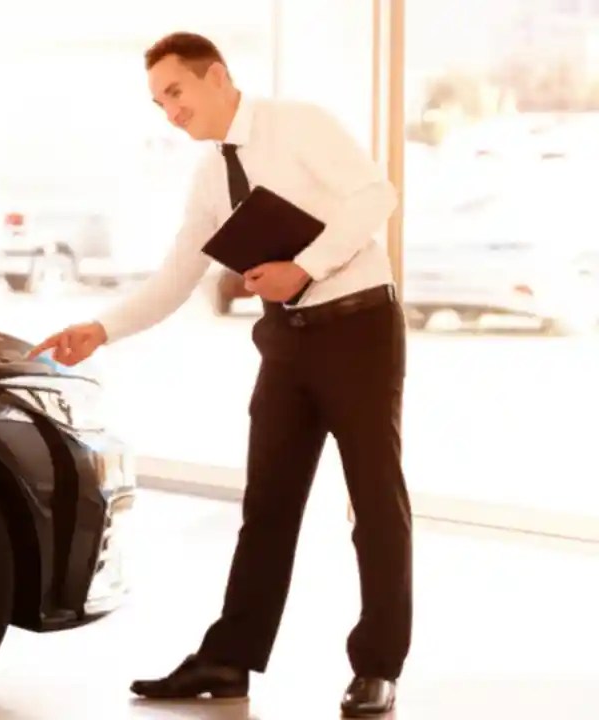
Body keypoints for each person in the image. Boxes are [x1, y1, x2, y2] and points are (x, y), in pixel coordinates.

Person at [28, 31, 410, 717]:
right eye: (159, 102)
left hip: (358, 328)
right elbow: (179, 274)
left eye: (175, 92)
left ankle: (378, 666)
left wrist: (304, 267)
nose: (170, 112)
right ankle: (229, 658)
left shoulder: (299, 124)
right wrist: (101, 329)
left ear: (217, 77)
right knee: (267, 505)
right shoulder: (211, 176)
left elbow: (375, 196)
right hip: (286, 339)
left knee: (375, 501)